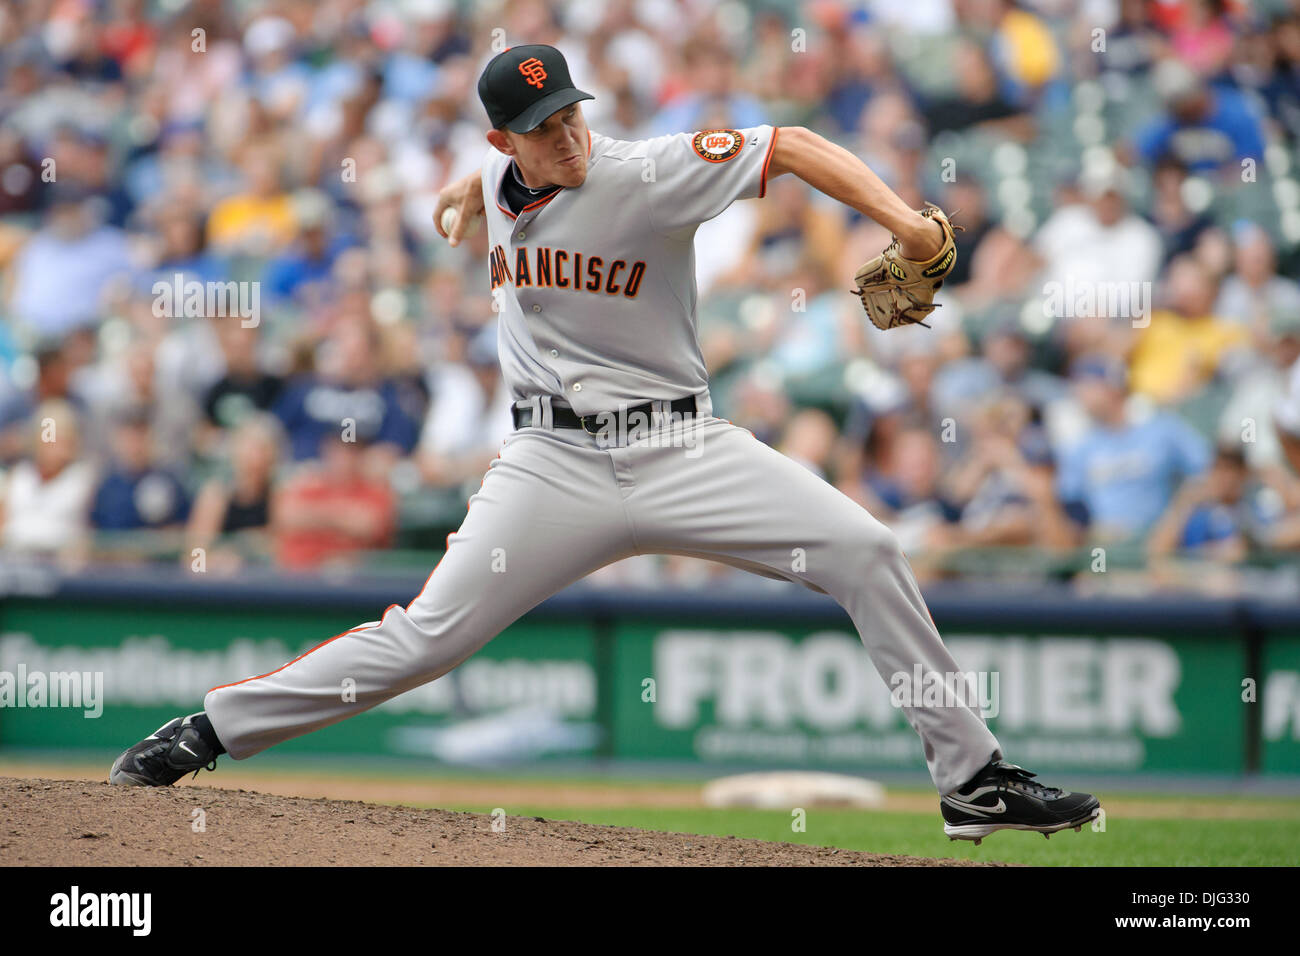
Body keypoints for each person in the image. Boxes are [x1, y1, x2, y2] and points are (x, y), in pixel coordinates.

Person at [109, 44, 1099, 845]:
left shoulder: (644, 171)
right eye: (545, 128)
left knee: (870, 550)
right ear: (507, 139)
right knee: (426, 638)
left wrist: (909, 226)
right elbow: (497, 184)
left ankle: (971, 780)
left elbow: (789, 142)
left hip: (684, 446)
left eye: (574, 112)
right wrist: (461, 191)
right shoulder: (501, 179)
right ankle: (206, 728)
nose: (570, 135)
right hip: (552, 467)